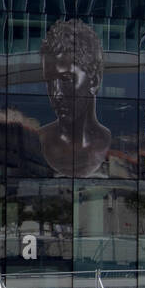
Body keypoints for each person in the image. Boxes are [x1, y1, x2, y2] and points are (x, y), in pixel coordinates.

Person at [38, 19, 110, 178]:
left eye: (66, 79)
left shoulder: (114, 144)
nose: (56, 93)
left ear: (94, 81)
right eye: (50, 81)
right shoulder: (37, 141)